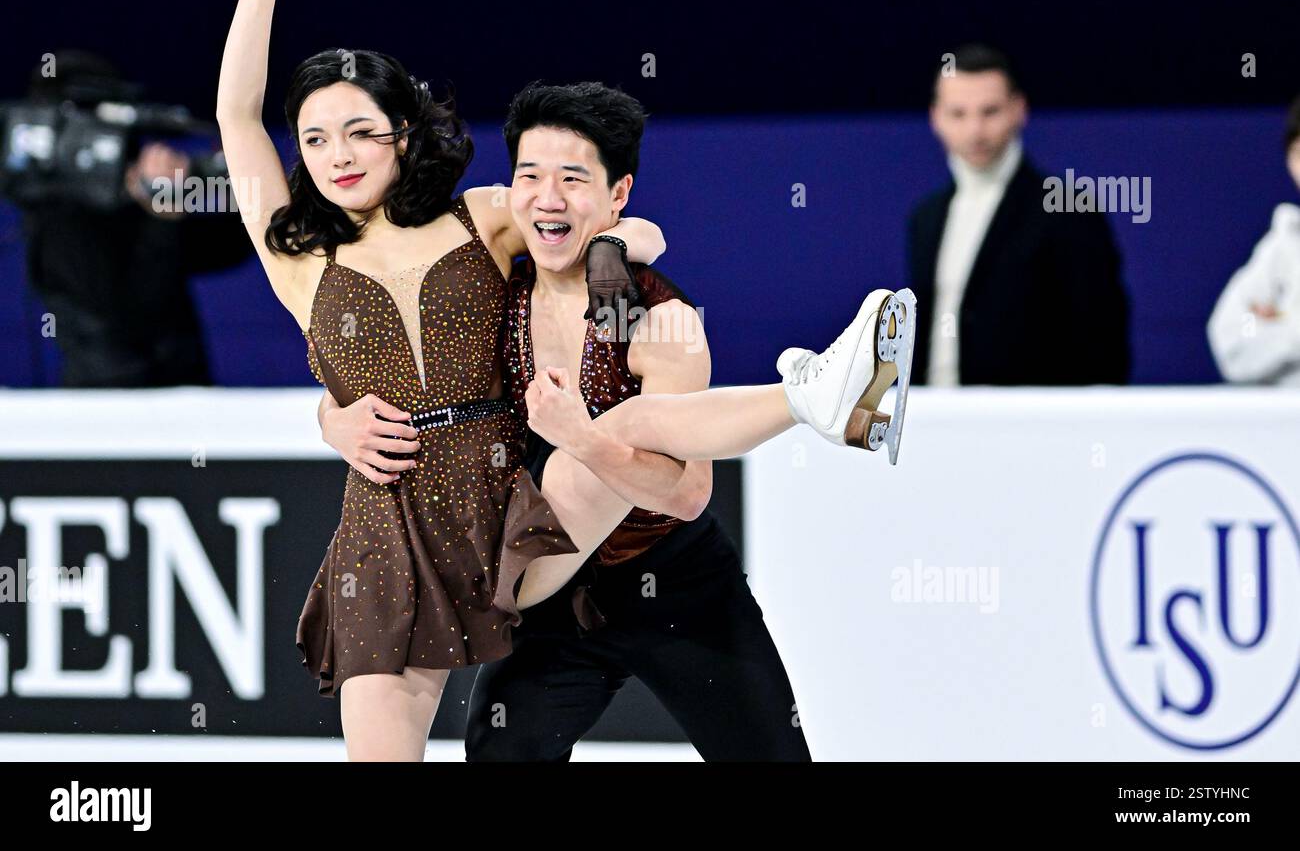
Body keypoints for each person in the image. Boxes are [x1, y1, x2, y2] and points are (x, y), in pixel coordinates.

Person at [177, 0, 668, 761]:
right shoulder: (299, 255)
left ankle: (803, 401)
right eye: (315, 139)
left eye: (360, 131)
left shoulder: (482, 215)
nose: (337, 156)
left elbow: (631, 223)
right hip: (386, 531)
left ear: (403, 133)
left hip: (512, 506)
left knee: (624, 444)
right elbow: (234, 114)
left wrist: (613, 256)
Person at [319, 81, 918, 759]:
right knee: (498, 752)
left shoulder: (662, 319)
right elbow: (376, 364)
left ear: (617, 195)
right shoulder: (488, 292)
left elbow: (688, 495)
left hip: (675, 586)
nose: (548, 198)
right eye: (530, 176)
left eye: (573, 179)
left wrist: (582, 438)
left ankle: (811, 398)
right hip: (556, 594)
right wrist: (331, 419)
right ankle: (809, 399)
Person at [10, 50, 250, 386]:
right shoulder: (57, 212)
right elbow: (125, 317)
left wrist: (238, 181)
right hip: (108, 407)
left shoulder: (142, 182)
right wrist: (161, 219)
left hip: (184, 394)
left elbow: (228, 248)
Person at [907, 43, 1130, 385]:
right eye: (958, 113)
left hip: (1030, 428)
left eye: (990, 111)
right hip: (935, 421)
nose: (975, 130)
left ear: (1018, 109)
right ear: (935, 117)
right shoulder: (926, 217)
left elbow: (1102, 346)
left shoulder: (1067, 210)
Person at [1207, 95, 1300, 385]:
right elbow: (1234, 336)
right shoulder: (1284, 245)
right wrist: (1292, 332)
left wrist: (1280, 321)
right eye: (1298, 152)